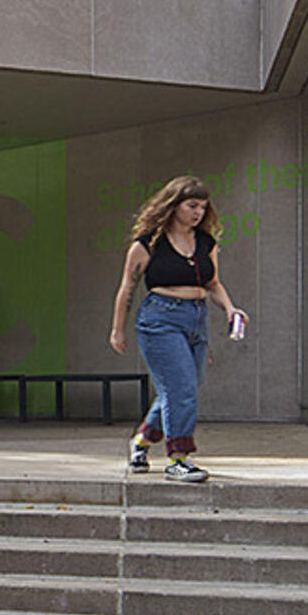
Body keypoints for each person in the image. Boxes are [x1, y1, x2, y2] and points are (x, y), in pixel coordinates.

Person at [109, 175, 245, 485]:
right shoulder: (147, 244)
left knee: (181, 389)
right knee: (181, 390)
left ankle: (142, 441)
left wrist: (230, 308)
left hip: (196, 319)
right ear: (174, 205)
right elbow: (127, 288)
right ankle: (179, 459)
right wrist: (118, 330)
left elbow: (212, 283)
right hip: (160, 320)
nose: (198, 212)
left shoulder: (206, 242)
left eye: (203, 207)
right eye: (192, 205)